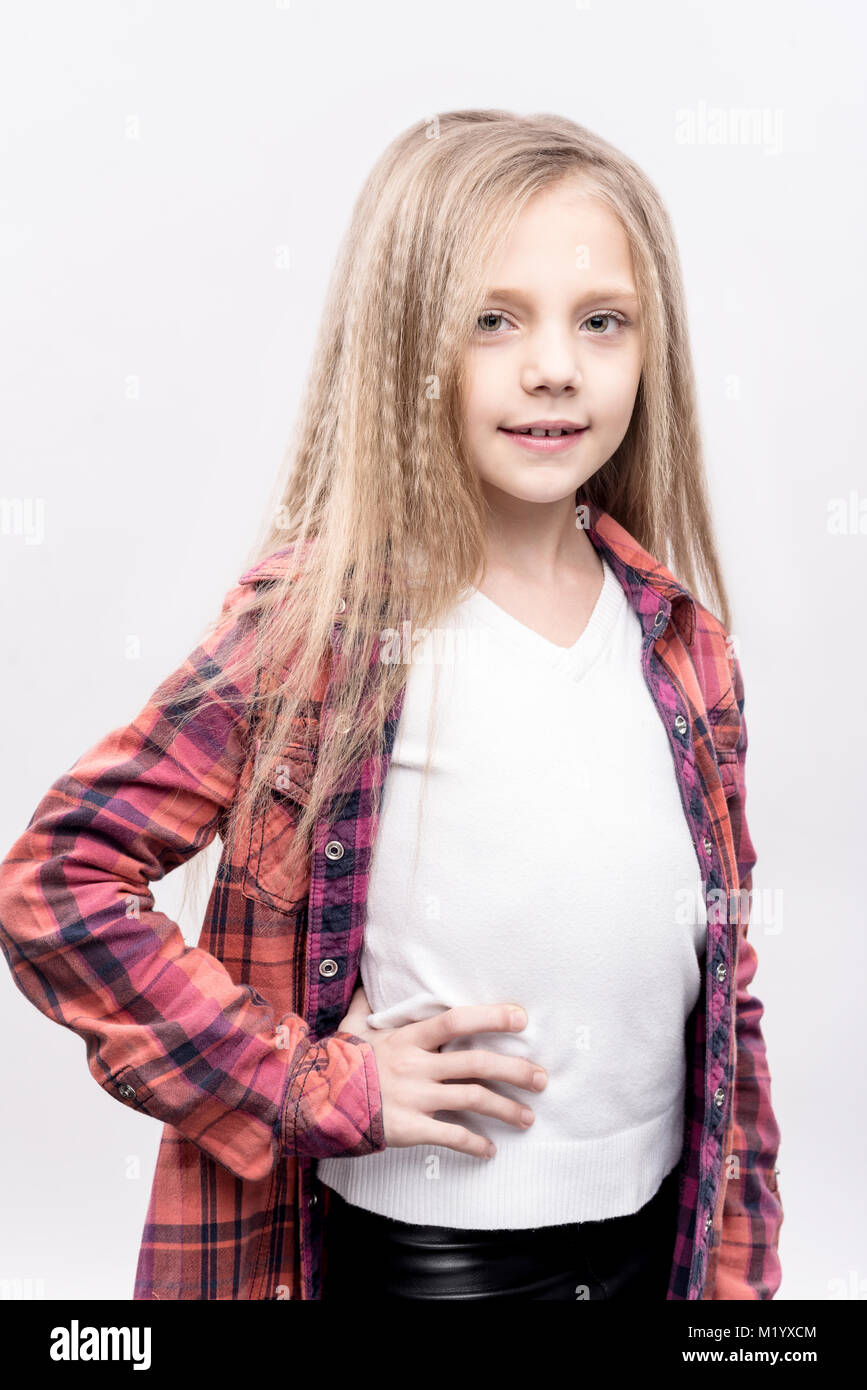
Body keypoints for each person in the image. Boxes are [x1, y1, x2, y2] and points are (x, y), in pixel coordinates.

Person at [0, 109, 783, 1301]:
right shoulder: (316, 635)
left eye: (602, 321)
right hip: (432, 1265)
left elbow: (728, 991)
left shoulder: (683, 647)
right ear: (408, 344)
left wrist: (737, 1283)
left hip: (652, 1246)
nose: (556, 366)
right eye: (493, 320)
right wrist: (307, 1082)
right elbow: (57, 882)